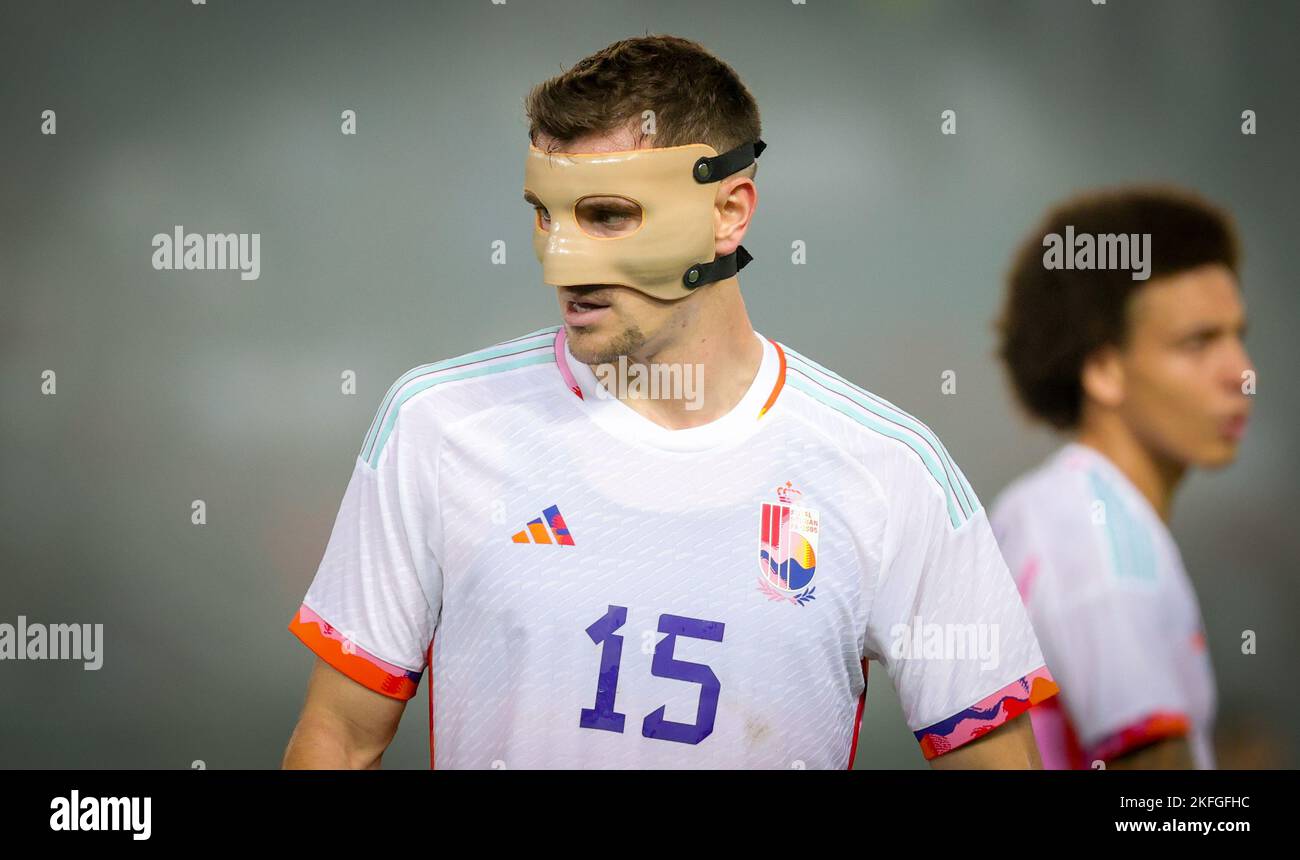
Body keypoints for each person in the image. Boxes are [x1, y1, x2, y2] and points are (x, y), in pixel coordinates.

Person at [282, 34, 1056, 770]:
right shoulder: (440, 427)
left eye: (607, 214)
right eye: (545, 215)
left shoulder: (891, 475)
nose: (564, 259)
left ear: (729, 213)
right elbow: (338, 739)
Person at [990, 186, 1253, 769]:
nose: (1242, 372)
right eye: (1199, 342)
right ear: (1105, 370)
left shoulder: (1071, 510)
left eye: (1239, 336)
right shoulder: (1092, 535)